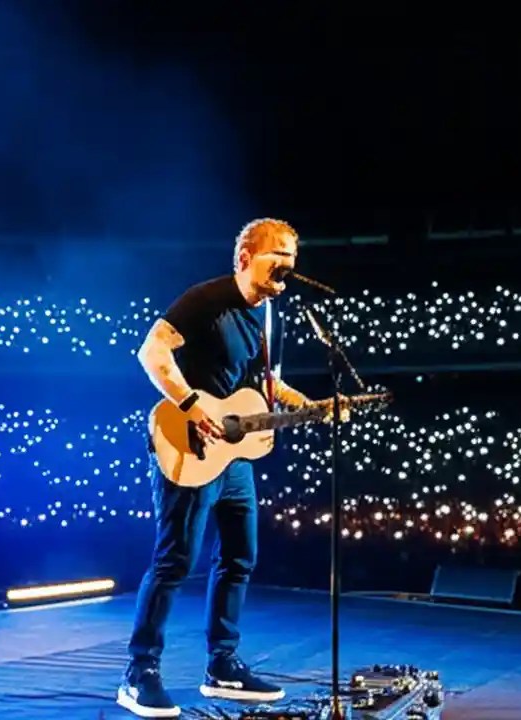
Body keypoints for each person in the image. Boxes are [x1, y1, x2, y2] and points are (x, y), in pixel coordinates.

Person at [117, 218, 345, 718]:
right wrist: (192, 405)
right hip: (189, 446)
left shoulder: (270, 317)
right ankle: (140, 672)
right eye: (277, 257)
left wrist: (314, 405)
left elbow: (267, 390)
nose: (287, 268)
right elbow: (151, 352)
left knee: (240, 557)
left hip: (234, 457)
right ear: (245, 257)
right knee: (175, 560)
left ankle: (222, 665)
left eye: (293, 259)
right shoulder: (206, 299)